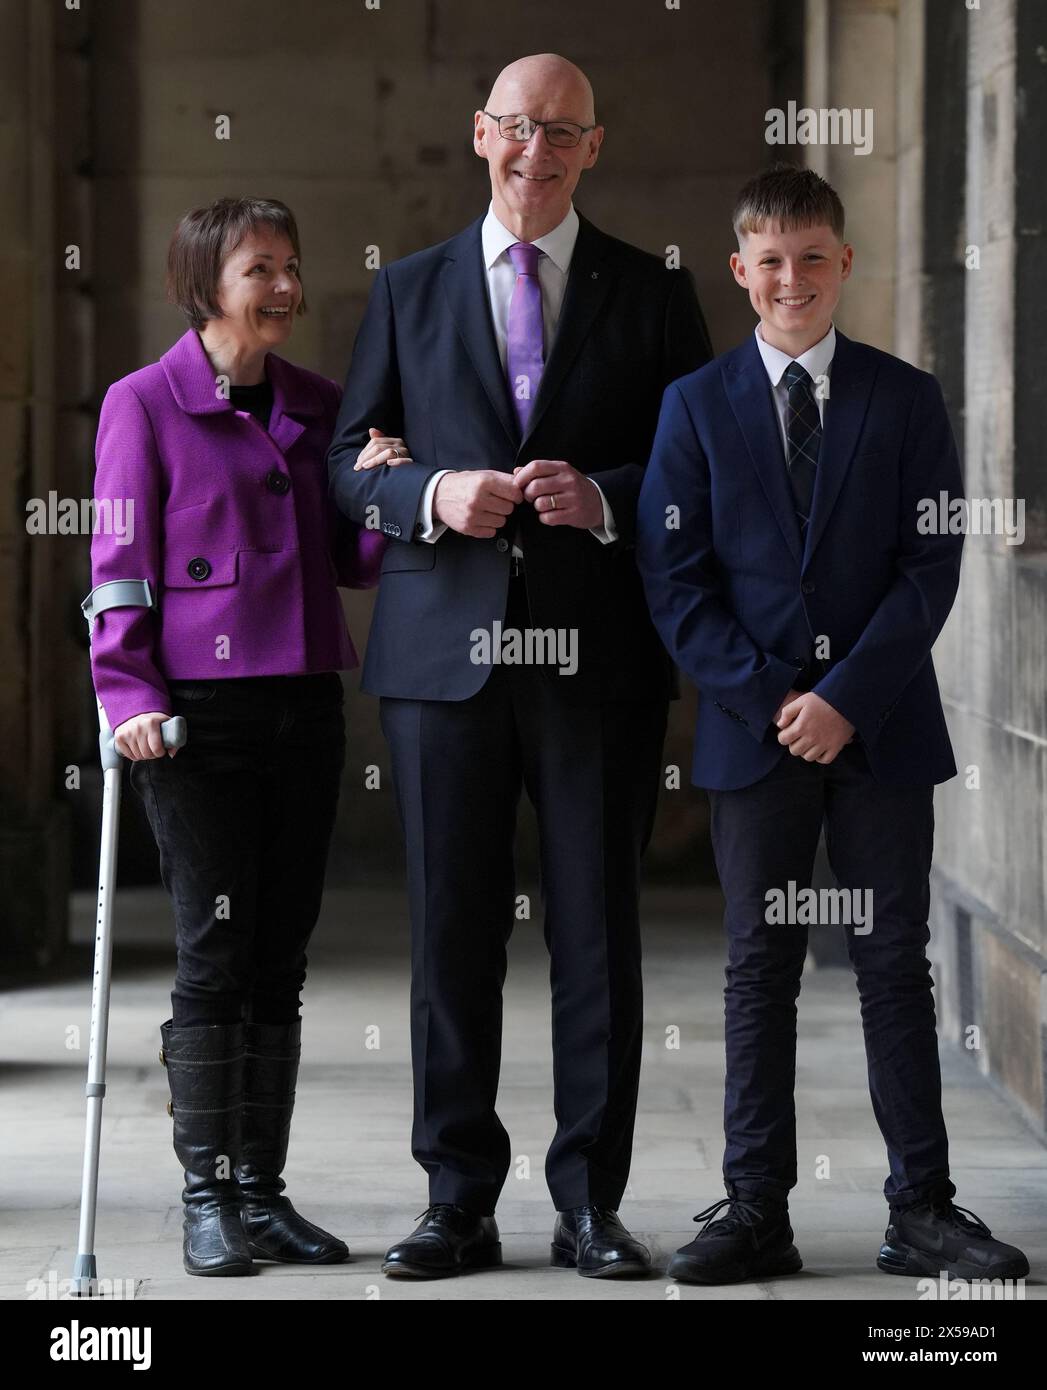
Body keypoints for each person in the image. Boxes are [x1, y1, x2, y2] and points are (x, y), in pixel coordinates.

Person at [327, 53, 712, 1279]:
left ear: (593, 148)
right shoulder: (410, 288)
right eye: (515, 128)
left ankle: (590, 1201)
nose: (534, 152)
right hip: (444, 657)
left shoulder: (654, 293)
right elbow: (349, 463)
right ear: (479, 134)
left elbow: (702, 472)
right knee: (450, 935)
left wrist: (601, 497)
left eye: (561, 133)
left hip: (599, 661)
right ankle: (458, 1200)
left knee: (598, 934)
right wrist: (431, 486)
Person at [636, 162, 1029, 1285]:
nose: (792, 279)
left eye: (814, 258)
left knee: (894, 962)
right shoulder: (694, 406)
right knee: (760, 966)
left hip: (885, 726)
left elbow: (929, 565)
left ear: (845, 262)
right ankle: (756, 1205)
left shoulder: (903, 400)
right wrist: (775, 701)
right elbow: (677, 580)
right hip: (754, 736)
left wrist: (846, 697)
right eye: (771, 261)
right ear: (740, 270)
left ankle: (923, 1210)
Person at [87, 196, 386, 1277]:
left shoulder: (319, 404)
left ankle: (263, 1192)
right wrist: (127, 697)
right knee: (215, 955)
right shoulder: (142, 404)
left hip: (304, 706)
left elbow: (356, 559)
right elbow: (115, 564)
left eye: (293, 266)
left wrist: (388, 487)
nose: (286, 287)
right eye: (263, 268)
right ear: (205, 279)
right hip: (191, 725)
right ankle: (205, 1193)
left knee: (279, 958)